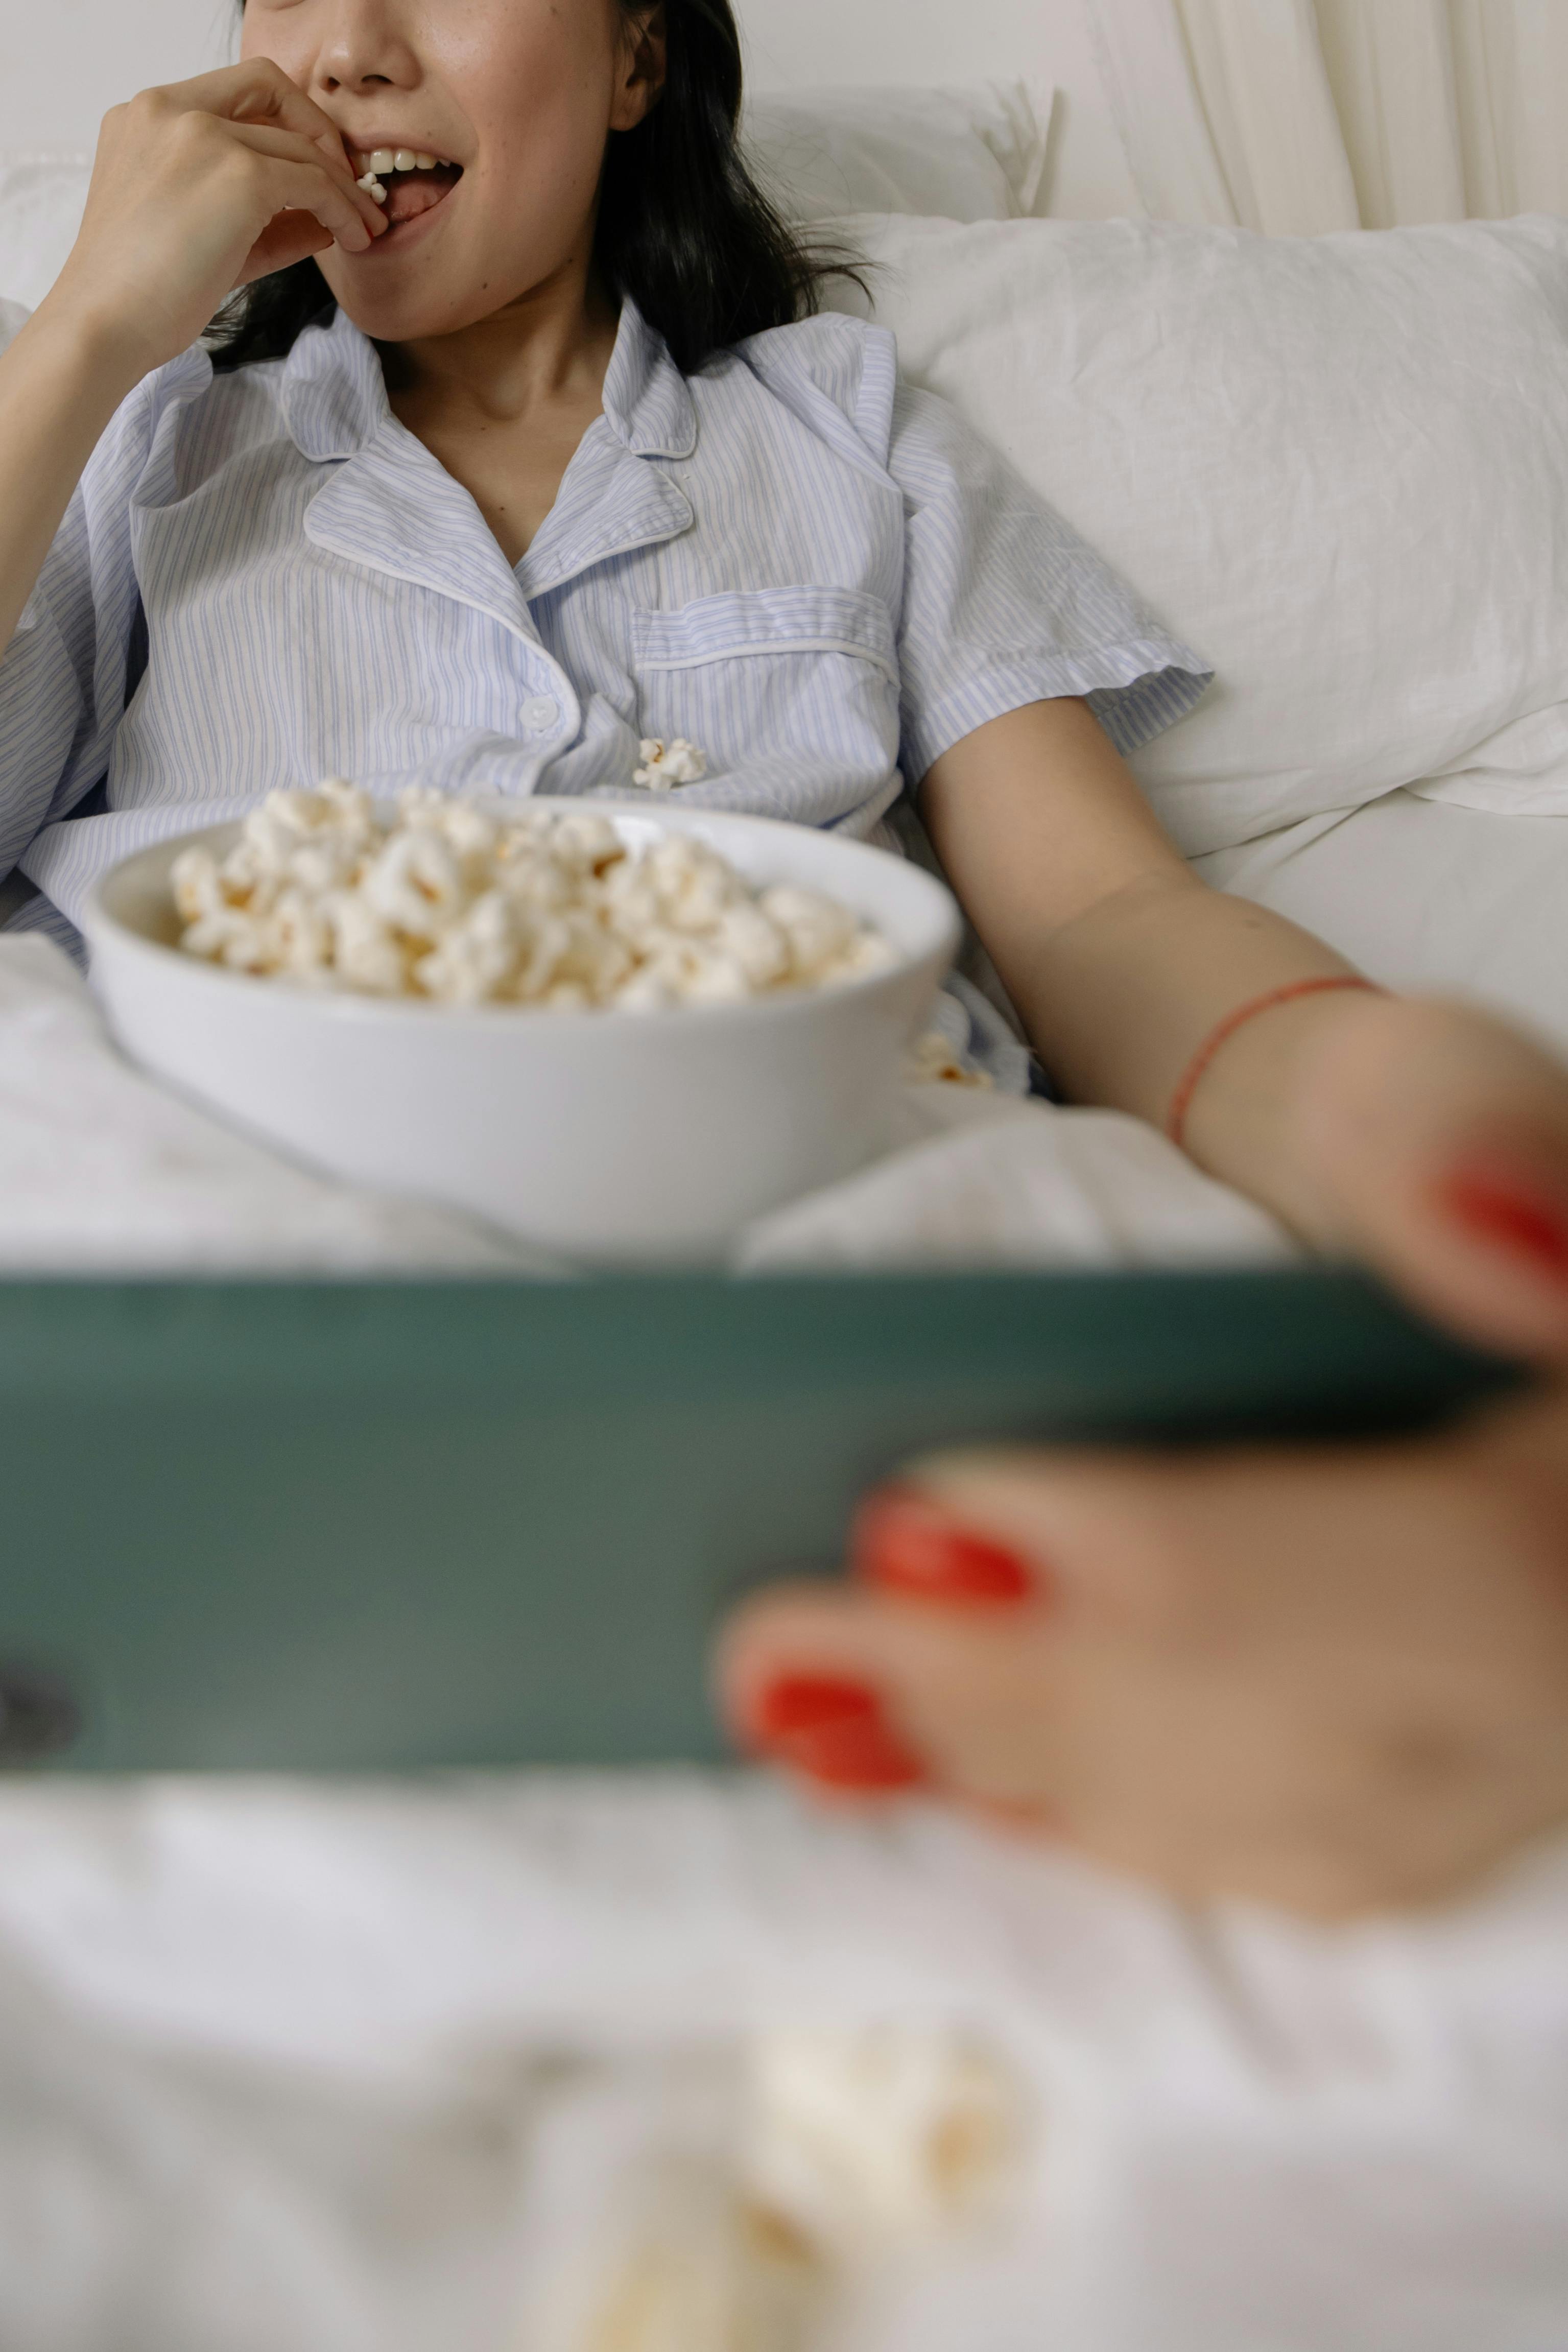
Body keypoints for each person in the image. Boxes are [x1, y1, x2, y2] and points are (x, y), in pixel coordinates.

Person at [6, 4, 1568, 1920]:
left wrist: (1331, 1074)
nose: (346, 44)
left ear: (639, 59)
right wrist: (87, 325)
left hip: (814, 1192)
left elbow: (1093, 915)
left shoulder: (842, 427)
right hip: (260, 1235)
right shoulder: (140, 436)